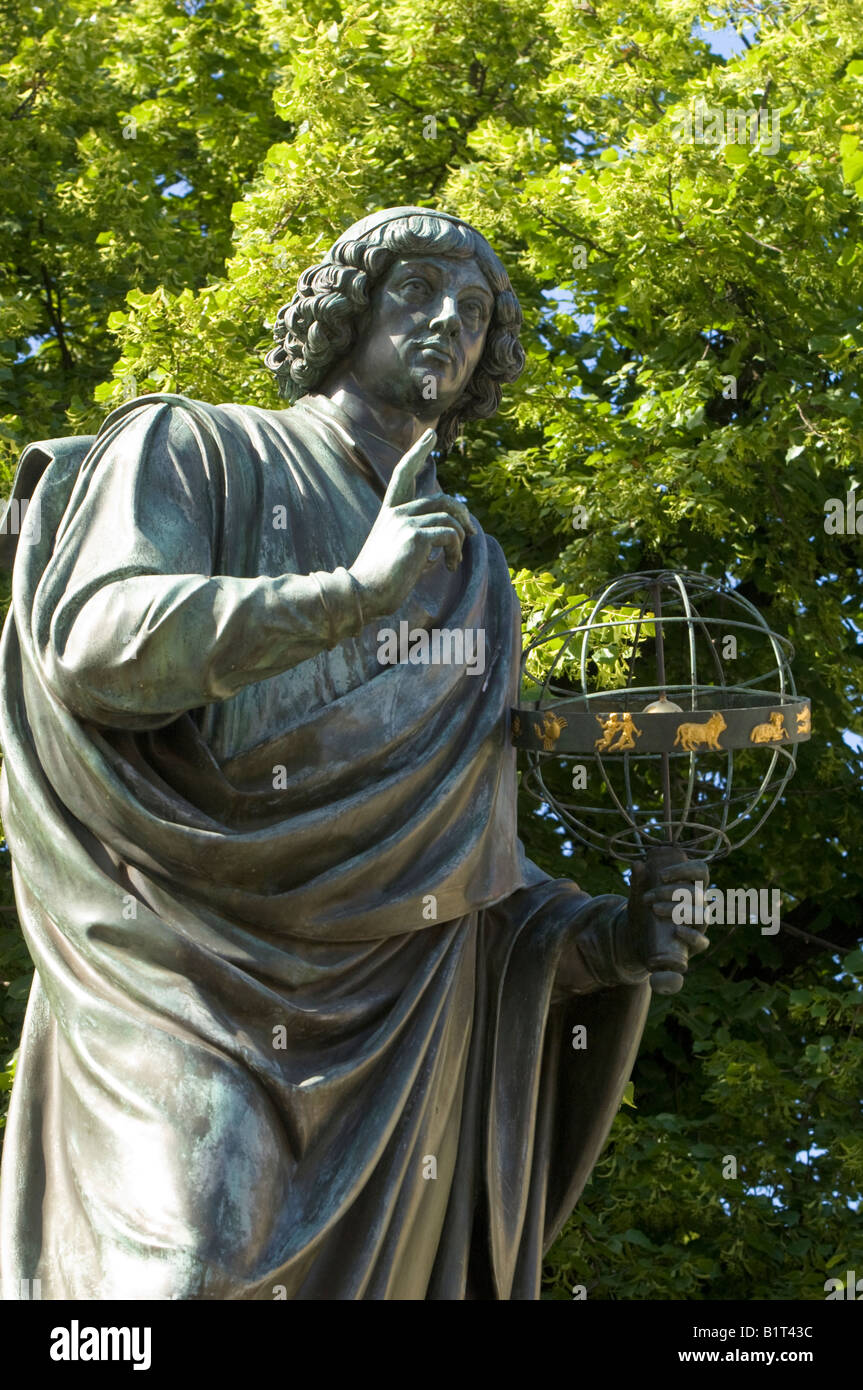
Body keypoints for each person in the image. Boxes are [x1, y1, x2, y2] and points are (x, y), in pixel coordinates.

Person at [0, 207, 708, 1300]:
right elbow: (99, 647)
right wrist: (349, 595)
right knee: (182, 1266)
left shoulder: (473, 577)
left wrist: (606, 941)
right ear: (345, 311)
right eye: (415, 289)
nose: (448, 321)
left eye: (474, 312)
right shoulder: (197, 445)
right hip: (182, 963)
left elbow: (464, 871)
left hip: (399, 1023)